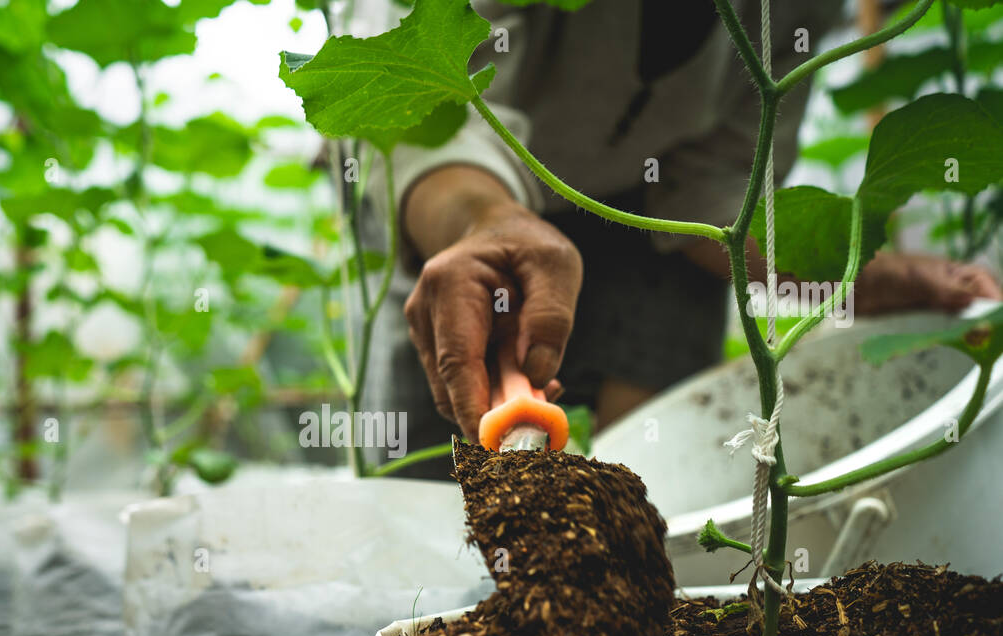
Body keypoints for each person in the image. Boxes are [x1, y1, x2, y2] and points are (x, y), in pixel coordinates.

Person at [360, 0, 1002, 476]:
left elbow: (714, 205)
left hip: (650, 225)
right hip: (450, 198)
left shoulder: (798, 12)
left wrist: (859, 275)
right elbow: (412, 103)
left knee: (644, 474)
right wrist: (480, 220)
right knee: (441, 462)